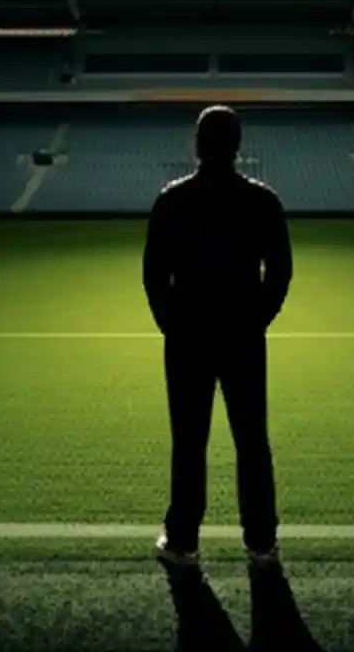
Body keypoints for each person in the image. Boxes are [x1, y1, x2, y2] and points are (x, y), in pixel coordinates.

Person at [143, 105, 293, 572]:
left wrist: (172, 323)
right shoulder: (262, 200)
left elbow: (153, 274)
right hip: (243, 336)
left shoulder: (172, 200)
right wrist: (258, 318)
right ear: (238, 145)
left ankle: (184, 539)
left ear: (197, 144)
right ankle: (262, 541)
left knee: (189, 440)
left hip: (188, 336)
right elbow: (281, 271)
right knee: (251, 439)